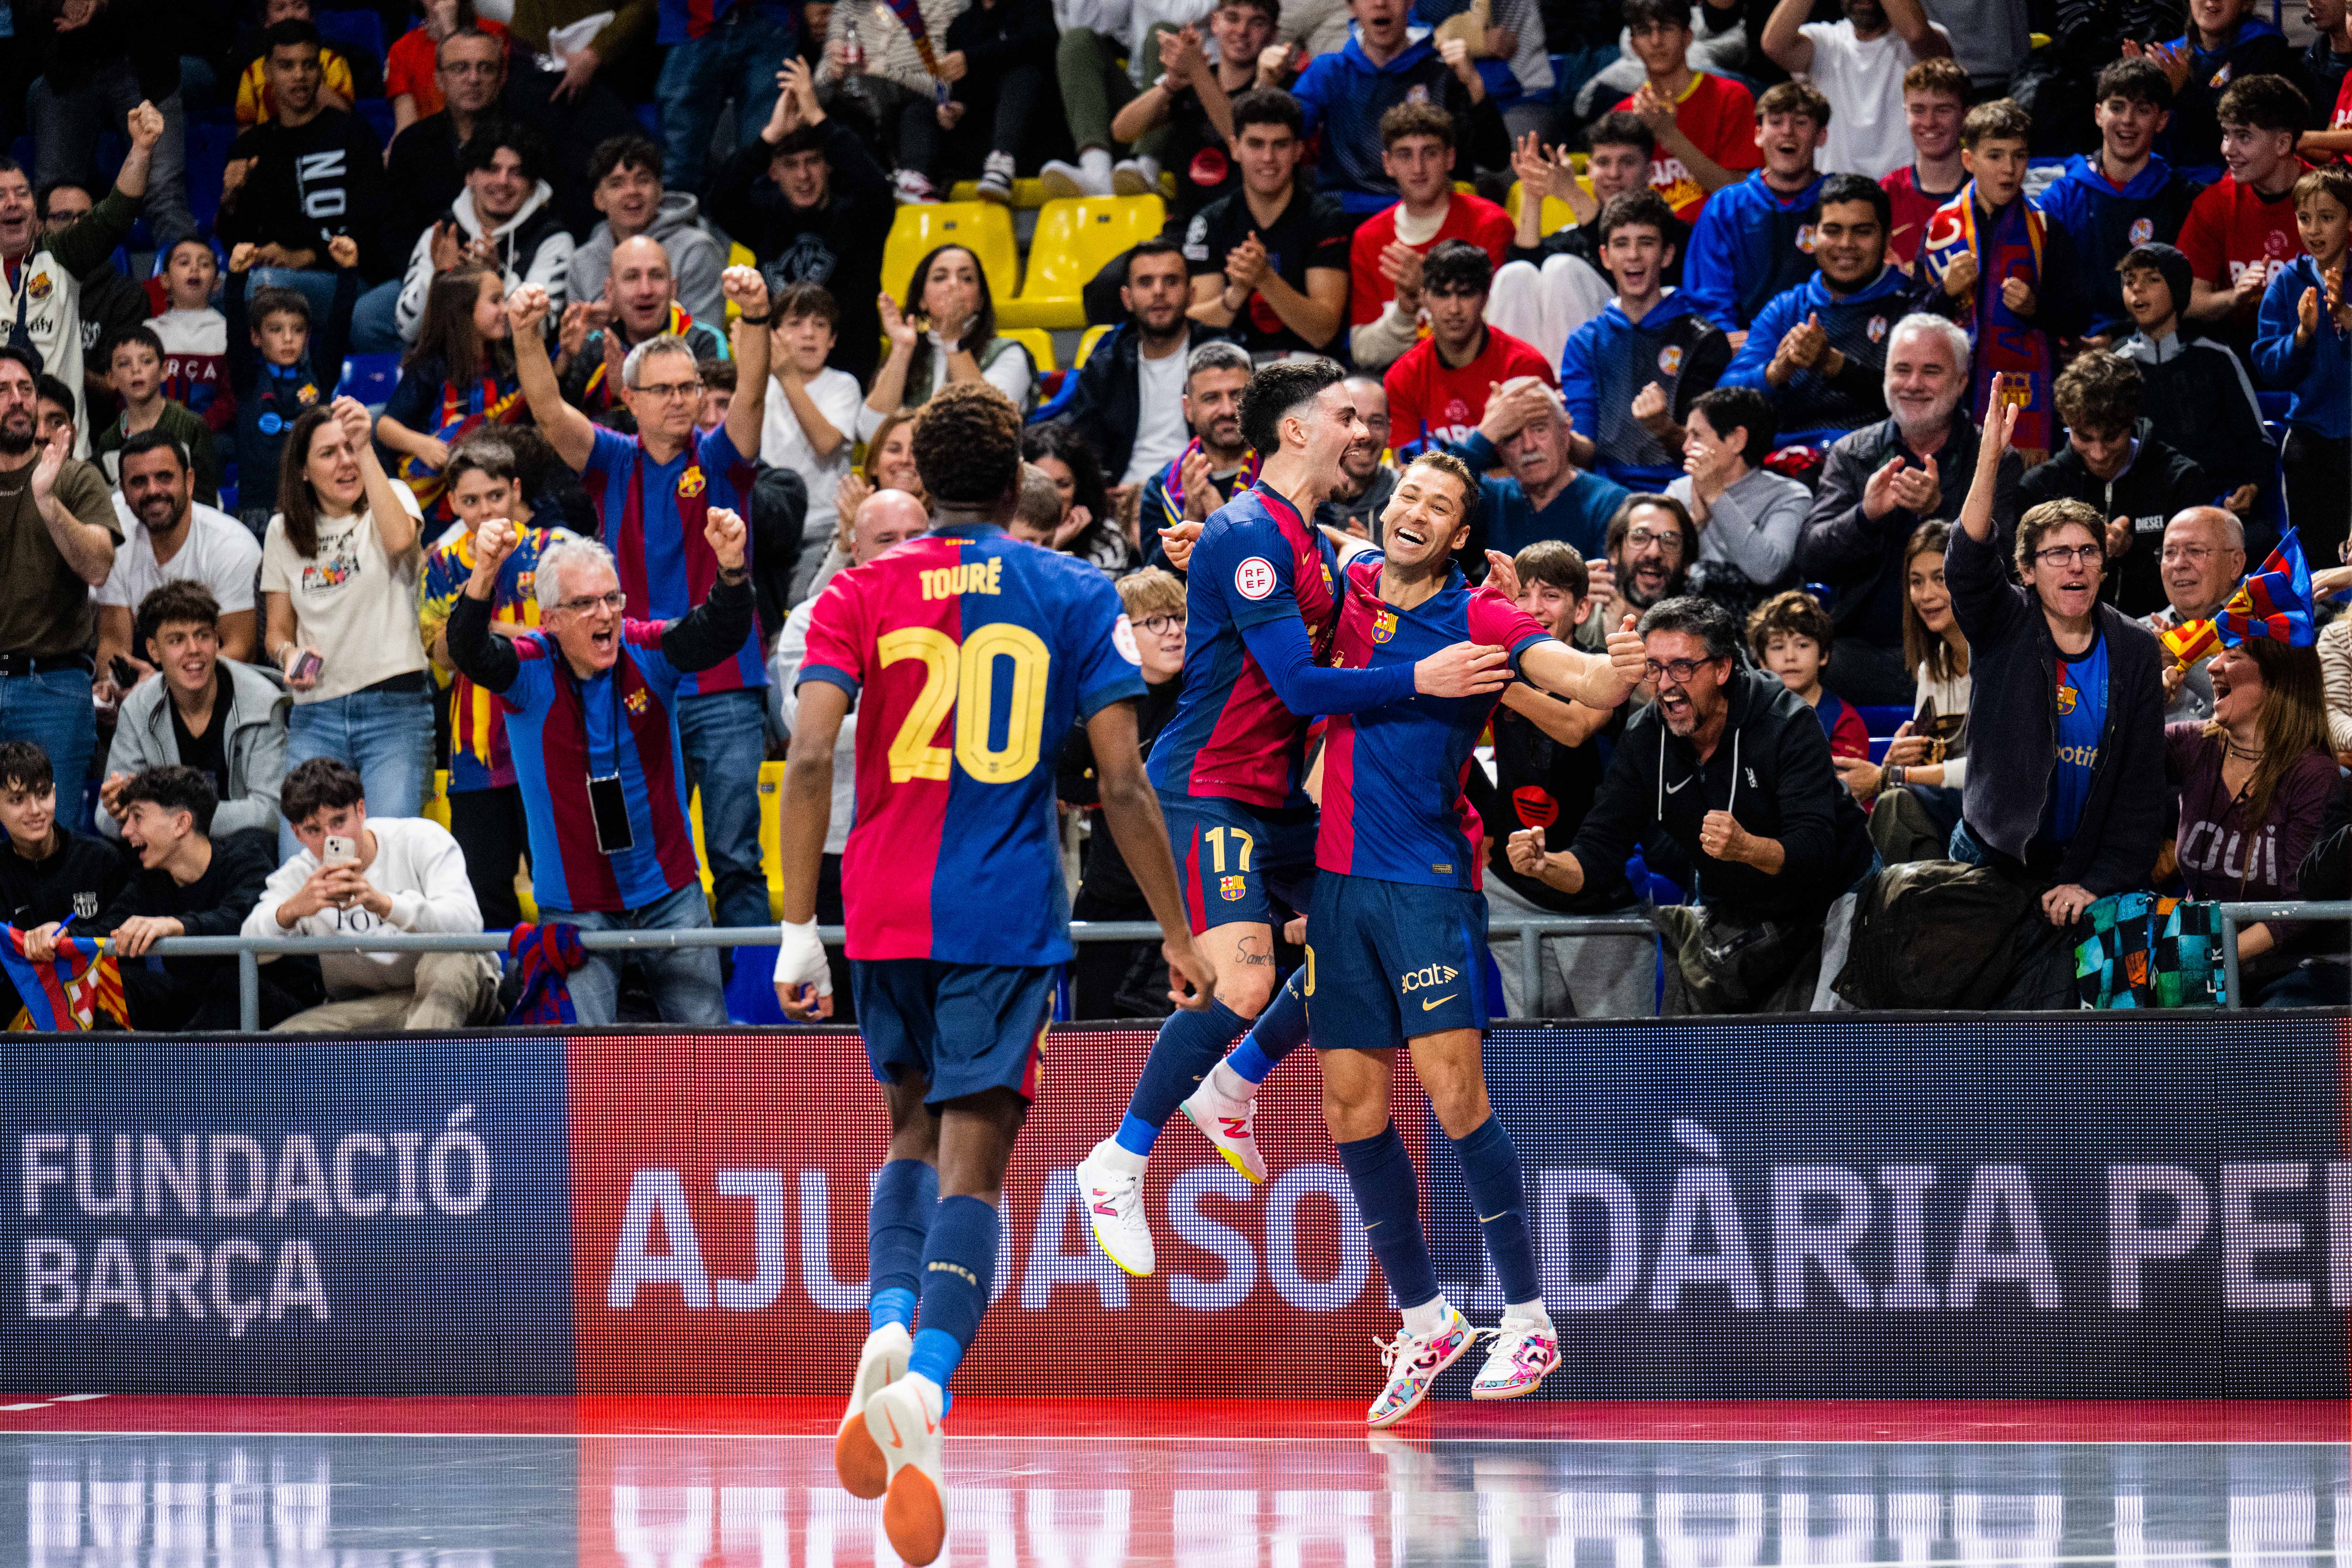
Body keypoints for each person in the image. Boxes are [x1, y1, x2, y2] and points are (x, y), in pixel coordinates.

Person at [768, 382, 1214, 1568]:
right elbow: (1123, 786)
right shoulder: (1075, 591)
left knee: (907, 1129)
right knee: (977, 1152)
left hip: (877, 904)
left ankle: (885, 1322)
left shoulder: (852, 590)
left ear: (915, 476)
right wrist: (1177, 931)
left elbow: (810, 752)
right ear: (1017, 483)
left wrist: (796, 925)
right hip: (1002, 911)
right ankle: (926, 1385)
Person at [1076, 359, 1517, 1280]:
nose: (1362, 430)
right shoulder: (1248, 533)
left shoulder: (1305, 535)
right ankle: (1117, 1160)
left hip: (1275, 792)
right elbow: (1300, 683)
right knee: (1241, 985)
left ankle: (1231, 1084)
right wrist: (1418, 678)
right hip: (1209, 786)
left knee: (1347, 941)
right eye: (1343, 416)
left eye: (1365, 416)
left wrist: (1479, 579)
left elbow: (1366, 569)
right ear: (1295, 431)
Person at [1299, 452, 1644, 1426]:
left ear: (1462, 538)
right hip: (1338, 886)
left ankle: (1528, 1316)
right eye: (1408, 494)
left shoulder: (1482, 616)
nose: (1416, 509)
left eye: (1439, 505)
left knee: (1453, 1094)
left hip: (1425, 887)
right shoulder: (1356, 579)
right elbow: (1298, 547)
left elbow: (1576, 678)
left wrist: (1610, 666)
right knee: (1350, 1106)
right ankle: (1425, 1316)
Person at [506, 269, 779, 935]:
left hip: (722, 683)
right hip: (633, 679)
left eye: (688, 387)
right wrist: (525, 333)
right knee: (630, 848)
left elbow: (750, 395)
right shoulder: (611, 459)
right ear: (630, 398)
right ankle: (647, 1005)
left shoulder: (723, 455)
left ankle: (746, 1013)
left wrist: (757, 318)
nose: (679, 401)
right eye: (662, 390)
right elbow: (546, 410)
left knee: (735, 854)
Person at [452, 509, 755, 1022]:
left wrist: (730, 570)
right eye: (585, 603)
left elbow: (718, 632)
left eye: (612, 598)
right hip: (575, 907)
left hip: (670, 894)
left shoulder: (647, 649)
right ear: (550, 619)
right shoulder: (528, 669)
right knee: (590, 1067)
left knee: (708, 1050)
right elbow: (469, 649)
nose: (606, 614)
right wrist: (484, 572)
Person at [1506, 593, 1876, 1011]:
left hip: (1834, 899)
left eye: (1682, 666)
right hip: (1738, 909)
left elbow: (1814, 854)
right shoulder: (1646, 739)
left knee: (1819, 1056)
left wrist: (1746, 847)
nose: (1665, 684)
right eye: (1653, 668)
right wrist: (1545, 866)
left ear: (1722, 668)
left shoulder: (1785, 722)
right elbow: (1596, 854)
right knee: (1711, 1064)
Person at [1946, 401, 2169, 1008]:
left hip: (2083, 871)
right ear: (2025, 569)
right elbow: (1966, 563)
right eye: (2057, 554)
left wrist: (2095, 883)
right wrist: (1989, 458)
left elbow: (2141, 788)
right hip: (1991, 862)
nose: (2076, 564)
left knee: (2068, 1047)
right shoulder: (2004, 621)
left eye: (2088, 551)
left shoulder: (2135, 650)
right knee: (1977, 1039)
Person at [1464, 540, 1655, 1019]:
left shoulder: (1603, 670)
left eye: (1550, 595)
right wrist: (1487, 821)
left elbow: (1573, 727)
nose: (1533, 608)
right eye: (1522, 596)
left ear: (1582, 607)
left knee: (1619, 1063)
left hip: (1601, 897)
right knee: (1537, 1062)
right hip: (1513, 888)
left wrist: (1495, 680)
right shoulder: (1492, 666)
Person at [1801, 313, 2020, 705]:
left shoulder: (1992, 456)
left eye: (1931, 371)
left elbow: (2002, 563)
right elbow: (1813, 558)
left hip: (1962, 646)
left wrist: (1940, 511)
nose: (1914, 384)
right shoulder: (1853, 453)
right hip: (1864, 653)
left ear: (1961, 383)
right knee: (1814, 666)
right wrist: (1864, 517)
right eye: (1902, 370)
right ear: (1885, 377)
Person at [764, 486, 926, 1009]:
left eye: (916, 537)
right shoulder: (813, 620)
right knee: (841, 1030)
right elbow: (805, 732)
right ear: (855, 551)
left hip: (932, 846)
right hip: (836, 848)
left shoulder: (965, 614)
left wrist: (863, 716)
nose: (903, 550)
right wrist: (928, 717)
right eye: (886, 539)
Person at [416, 435, 577, 929]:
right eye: (470, 501)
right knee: (484, 896)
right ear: (451, 504)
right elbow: (443, 654)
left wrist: (479, 626)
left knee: (563, 887)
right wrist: (483, 590)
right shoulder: (443, 566)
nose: (485, 511)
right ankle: (506, 1002)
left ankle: (570, 1002)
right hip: (476, 756)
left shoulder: (557, 551)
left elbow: (572, 638)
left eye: (495, 497)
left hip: (553, 743)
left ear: (516, 491)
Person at [261, 398, 435, 836]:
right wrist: (289, 655)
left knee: (387, 858)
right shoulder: (282, 531)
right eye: (328, 453)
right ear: (303, 470)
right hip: (316, 714)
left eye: (350, 448)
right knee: (301, 867)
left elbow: (398, 541)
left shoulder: (393, 495)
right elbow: (277, 630)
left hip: (394, 710)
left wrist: (367, 446)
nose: (345, 462)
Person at [246, 757, 502, 1029]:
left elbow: (468, 925)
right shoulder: (301, 875)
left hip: (460, 990)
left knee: (448, 963)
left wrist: (386, 905)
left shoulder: (421, 838)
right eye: (313, 830)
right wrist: (291, 911)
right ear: (298, 835)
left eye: (339, 821)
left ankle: (417, 1069)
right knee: (282, 1045)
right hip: (371, 1004)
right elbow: (249, 946)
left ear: (361, 810)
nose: (331, 838)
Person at [63, 765, 318, 1029]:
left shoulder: (246, 856)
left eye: (137, 818)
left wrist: (176, 925)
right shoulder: (151, 878)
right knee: (119, 981)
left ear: (181, 824)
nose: (126, 832)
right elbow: (109, 929)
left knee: (231, 983)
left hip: (273, 998)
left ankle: (181, 1066)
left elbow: (242, 920)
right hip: (196, 998)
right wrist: (63, 934)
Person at [2163, 638, 2345, 1005]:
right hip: (2208, 959)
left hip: (2296, 968)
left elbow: (2299, 910)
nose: (2213, 667)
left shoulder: (2314, 774)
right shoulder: (2193, 744)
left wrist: (2209, 955)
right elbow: (2110, 760)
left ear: (2278, 679)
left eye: (2232, 658)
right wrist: (2149, 701)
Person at [1056, 566, 1192, 1017]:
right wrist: (1117, 789)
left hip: (1192, 894)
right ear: (1124, 634)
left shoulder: (1203, 694)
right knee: (1097, 1038)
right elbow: (1060, 775)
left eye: (1178, 616)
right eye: (1155, 620)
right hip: (1112, 895)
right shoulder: (1098, 705)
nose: (1172, 630)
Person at [708, 56, 892, 384]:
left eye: (813, 162)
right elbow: (719, 199)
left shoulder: (858, 217)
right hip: (776, 379)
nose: (803, 176)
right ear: (774, 171)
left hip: (847, 378)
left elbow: (878, 189)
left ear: (830, 165)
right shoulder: (766, 217)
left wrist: (819, 118)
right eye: (791, 165)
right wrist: (769, 137)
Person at [1920, 98, 2080, 461]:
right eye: (1995, 156)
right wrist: (1944, 292)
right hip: (1955, 394)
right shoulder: (1941, 229)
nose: (2009, 169)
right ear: (1968, 160)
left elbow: (2077, 317)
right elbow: (1912, 318)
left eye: (2019, 155)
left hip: (2029, 395)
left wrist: (2035, 309)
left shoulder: (2045, 229)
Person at [0, 102, 164, 436]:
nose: (13, 203)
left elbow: (114, 214)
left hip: (67, 456)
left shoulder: (62, 255)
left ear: (35, 211)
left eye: (22, 193)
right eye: (1, 195)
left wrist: (142, 149)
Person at [0, 347, 121, 797]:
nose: (18, 400)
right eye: (3, 391)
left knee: (54, 845)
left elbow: (98, 567)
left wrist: (48, 502)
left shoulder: (73, 479)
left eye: (25, 389)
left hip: (51, 686)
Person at [1722, 175, 1919, 445]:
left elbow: (1918, 403)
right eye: (1833, 231)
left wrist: (1833, 364)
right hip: (1783, 468)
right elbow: (1723, 400)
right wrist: (1775, 373)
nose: (1845, 244)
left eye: (1862, 231)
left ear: (1886, 238)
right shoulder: (1786, 309)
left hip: (1875, 462)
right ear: (1814, 236)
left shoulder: (1912, 307)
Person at [215, 22, 389, 328]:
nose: (299, 76)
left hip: (345, 279)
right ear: (267, 72)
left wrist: (305, 256)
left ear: (321, 72)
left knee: (265, 287)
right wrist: (230, 200)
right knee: (213, 291)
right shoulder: (250, 147)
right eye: (287, 66)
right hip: (272, 278)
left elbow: (374, 228)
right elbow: (236, 244)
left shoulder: (353, 133)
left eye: (309, 65)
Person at [95, 579, 289, 850]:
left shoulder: (262, 703)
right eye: (177, 640)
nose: (194, 650)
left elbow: (272, 814)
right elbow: (105, 818)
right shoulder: (138, 707)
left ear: (217, 638)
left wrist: (172, 820)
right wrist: (120, 812)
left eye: (203, 636)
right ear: (153, 651)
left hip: (238, 853)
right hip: (167, 857)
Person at [1559, 191, 1732, 489]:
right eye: (1621, 244)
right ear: (1605, 256)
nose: (1633, 256)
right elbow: (1584, 453)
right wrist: (1557, 433)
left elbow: (1710, 452)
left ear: (1667, 255)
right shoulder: (1584, 342)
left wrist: (1664, 428)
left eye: (1646, 243)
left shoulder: (1703, 340)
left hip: (1682, 490)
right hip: (1604, 494)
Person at [2019, 351, 2211, 618]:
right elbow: (2021, 584)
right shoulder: (2039, 487)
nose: (2099, 453)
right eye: (2084, 437)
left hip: (2162, 635)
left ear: (2130, 422)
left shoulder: (2180, 479)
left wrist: (2129, 552)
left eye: (2111, 437)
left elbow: (2199, 585)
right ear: (2067, 425)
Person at [1288, 0, 1510, 216]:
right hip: (1344, 214)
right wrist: (1264, 85)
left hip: (1424, 212)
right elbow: (1283, 136)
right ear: (1352, 7)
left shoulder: (1442, 72)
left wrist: (1474, 84)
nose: (1380, 3)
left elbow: (1494, 159)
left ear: (1410, 2)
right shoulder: (1329, 72)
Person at [2112, 242, 2277, 528]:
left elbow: (2256, 439)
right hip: (2142, 512)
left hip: (2215, 503)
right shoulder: (2114, 366)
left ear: (2177, 290)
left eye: (2152, 280)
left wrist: (2251, 487)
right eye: (2129, 282)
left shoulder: (2217, 357)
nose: (2137, 289)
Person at [1835, 520, 1973, 860]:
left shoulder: (2002, 658)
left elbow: (1990, 770)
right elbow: (1928, 760)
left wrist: (1891, 776)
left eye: (1940, 578)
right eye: (1916, 582)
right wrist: (1902, 756)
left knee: (1897, 803)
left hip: (1994, 810)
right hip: (1946, 807)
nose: (1926, 595)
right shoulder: (1932, 667)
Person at [2039, 60, 2204, 344]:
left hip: (2152, 349)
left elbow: (2185, 299)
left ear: (2162, 120)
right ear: (2098, 114)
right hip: (2075, 348)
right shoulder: (2061, 197)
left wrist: (2116, 340)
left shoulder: (2183, 200)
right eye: (2117, 107)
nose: (2127, 120)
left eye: (2142, 110)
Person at [1182, 90, 1352, 359]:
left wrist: (1264, 278)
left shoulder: (1326, 219)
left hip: (1308, 367)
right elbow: (1193, 328)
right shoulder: (1211, 221)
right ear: (1235, 148)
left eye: (1280, 145)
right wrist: (1236, 293)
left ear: (1298, 150)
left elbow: (1323, 332)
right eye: (1256, 144)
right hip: (1231, 368)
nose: (1268, 158)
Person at [1347, 103, 1516, 372]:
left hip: (1478, 372)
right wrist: (1404, 310)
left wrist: (1427, 288)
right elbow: (1364, 352)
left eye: (1430, 153)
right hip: (1400, 380)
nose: (1418, 168)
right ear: (1387, 164)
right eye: (1405, 155)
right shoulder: (1369, 238)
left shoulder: (1489, 223)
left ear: (1450, 158)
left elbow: (1499, 329)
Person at [17, 0, 195, 252]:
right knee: (54, 199)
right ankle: (47, 289)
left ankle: (185, 287)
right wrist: (63, 4)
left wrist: (101, 4)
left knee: (165, 195)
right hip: (69, 66)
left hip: (147, 62)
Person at [1487, 114, 1659, 368]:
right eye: (1604, 162)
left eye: (1627, 162)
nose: (1614, 174)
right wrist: (1533, 195)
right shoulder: (1571, 236)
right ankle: (1514, 391)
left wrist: (1570, 192)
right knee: (1515, 274)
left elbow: (1612, 240)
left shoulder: (1666, 231)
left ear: (1650, 171)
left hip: (1637, 349)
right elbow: (1524, 271)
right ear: (1589, 170)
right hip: (1560, 358)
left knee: (1561, 268)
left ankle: (1568, 391)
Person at [96, 434, 264, 691]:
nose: (153, 491)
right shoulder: (116, 540)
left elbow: (242, 652)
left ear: (189, 482)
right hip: (146, 684)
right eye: (139, 482)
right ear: (124, 493)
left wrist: (161, 689)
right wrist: (115, 684)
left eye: (164, 477)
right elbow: (113, 643)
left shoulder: (232, 545)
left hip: (222, 693)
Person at [1062, 241, 1227, 493]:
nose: (1159, 292)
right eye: (1146, 282)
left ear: (1191, 295)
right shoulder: (1104, 369)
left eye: (1171, 281)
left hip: (1204, 493)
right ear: (1127, 299)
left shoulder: (1223, 360)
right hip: (1122, 499)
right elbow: (1085, 454)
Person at [394, 124, 574, 347]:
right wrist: (438, 280)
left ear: (533, 184)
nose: (503, 182)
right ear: (469, 177)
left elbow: (541, 329)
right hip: (444, 368)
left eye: (517, 172)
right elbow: (407, 329)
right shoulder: (441, 235)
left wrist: (499, 277)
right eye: (491, 169)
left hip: (518, 373)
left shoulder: (553, 240)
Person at [2252, 164, 2352, 561]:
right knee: (2312, 553)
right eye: (2304, 218)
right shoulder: (2287, 282)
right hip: (2310, 435)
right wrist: (2301, 337)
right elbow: (2269, 366)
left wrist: (2347, 316)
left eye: (2327, 218)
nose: (2314, 230)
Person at [223, 242, 360, 531]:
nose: (288, 339)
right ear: (257, 338)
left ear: (307, 336)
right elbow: (235, 325)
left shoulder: (320, 375)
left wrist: (347, 271)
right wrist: (236, 277)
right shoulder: (247, 379)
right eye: (275, 330)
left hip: (314, 506)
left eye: (297, 330)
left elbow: (339, 323)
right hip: (258, 512)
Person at [378, 26, 508, 328]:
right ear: (439, 79)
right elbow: (393, 230)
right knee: (367, 320)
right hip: (426, 271)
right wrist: (433, 268)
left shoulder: (524, 141)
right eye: (460, 68)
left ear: (502, 79)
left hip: (507, 269)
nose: (473, 79)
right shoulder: (411, 144)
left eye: (485, 68)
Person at [1096, 1, 1273, 224]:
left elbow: (1237, 138)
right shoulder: (1195, 83)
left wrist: (1196, 67)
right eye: (1233, 19)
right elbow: (1122, 131)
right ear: (1215, 23)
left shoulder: (1275, 84)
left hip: (1246, 225)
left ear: (1273, 33)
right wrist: (1170, 84)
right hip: (1188, 225)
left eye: (1257, 23)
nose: (1242, 32)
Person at [1681, 82, 1832, 335]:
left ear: (1821, 136)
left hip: (1827, 345)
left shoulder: (1840, 201)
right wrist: (1729, 340)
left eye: (1801, 123)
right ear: (1758, 135)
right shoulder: (1725, 208)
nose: (1787, 132)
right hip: (1745, 354)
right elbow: (1707, 300)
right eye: (1776, 122)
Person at [378, 265, 527, 518]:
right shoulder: (432, 367)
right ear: (464, 310)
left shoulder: (506, 361)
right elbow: (384, 426)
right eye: (495, 301)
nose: (505, 309)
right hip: (443, 501)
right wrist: (422, 444)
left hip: (496, 489)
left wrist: (565, 356)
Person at [2178, 75, 2313, 350]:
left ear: (2282, 144)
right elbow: (2187, 302)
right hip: (2242, 349)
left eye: (2243, 136)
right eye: (2226, 135)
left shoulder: (2334, 199)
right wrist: (2234, 297)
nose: (2227, 149)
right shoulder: (2214, 203)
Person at [1381, 241, 1552, 454]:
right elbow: (1409, 473)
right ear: (1424, 297)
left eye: (1466, 294)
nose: (1454, 309)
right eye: (1442, 294)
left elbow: (1540, 467)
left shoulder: (1525, 368)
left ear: (1485, 298)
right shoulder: (1402, 377)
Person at [1437, 376, 1630, 560]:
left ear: (1565, 433)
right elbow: (1435, 490)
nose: (1529, 446)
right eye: (1512, 436)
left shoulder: (1611, 504)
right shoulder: (1491, 500)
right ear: (1500, 450)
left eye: (1540, 429)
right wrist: (1485, 433)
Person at [557, 236, 733, 433]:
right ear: (611, 292)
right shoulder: (596, 345)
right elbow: (559, 428)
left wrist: (628, 398)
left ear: (673, 290)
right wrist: (566, 359)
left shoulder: (704, 342)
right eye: (632, 277)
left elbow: (703, 428)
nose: (645, 290)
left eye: (657, 276)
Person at [862, 246, 1035, 444]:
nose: (954, 285)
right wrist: (901, 350)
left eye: (967, 279)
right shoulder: (908, 352)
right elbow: (872, 435)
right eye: (940, 278)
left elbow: (989, 428)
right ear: (922, 301)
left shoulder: (1009, 352)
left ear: (980, 301)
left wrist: (954, 342)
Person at [1762, 0, 1952, 180]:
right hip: (1835, 198)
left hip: (1904, 193)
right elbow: (1775, 45)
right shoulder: (1824, 41)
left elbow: (1916, 33)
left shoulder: (1927, 38)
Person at [761, 283, 864, 606]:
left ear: (833, 339)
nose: (809, 334)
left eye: (820, 325)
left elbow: (826, 442)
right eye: (796, 323)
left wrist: (787, 376)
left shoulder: (842, 385)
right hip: (766, 524)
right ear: (775, 335)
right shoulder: (758, 386)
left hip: (821, 527)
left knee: (802, 605)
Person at [814, 0, 971, 201]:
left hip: (922, 117)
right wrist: (833, 73)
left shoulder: (942, 5)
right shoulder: (847, 8)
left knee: (916, 109)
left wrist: (878, 70)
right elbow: (818, 91)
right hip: (865, 124)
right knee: (840, 120)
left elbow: (942, 87)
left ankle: (917, 185)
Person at [1668, 385, 1811, 599]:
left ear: (1737, 440)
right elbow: (1658, 571)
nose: (1685, 447)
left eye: (1696, 436)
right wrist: (1694, 525)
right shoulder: (1679, 490)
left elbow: (1766, 571)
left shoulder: (1789, 496)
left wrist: (1716, 497)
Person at [570, 136, 727, 327]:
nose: (632, 191)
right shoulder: (582, 263)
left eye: (643, 180)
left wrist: (622, 322)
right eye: (617, 184)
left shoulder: (697, 250)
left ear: (660, 191)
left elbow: (707, 344)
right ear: (598, 200)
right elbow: (576, 350)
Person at [651, 0, 798, 198]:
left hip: (770, 17)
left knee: (769, 153)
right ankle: (677, 227)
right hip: (691, 18)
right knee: (679, 163)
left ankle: (765, 226)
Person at [0, 742, 129, 963]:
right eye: (18, 800)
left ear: (55, 793)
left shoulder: (102, 860)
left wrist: (70, 935)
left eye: (43, 794)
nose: (35, 810)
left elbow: (125, 934)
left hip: (102, 993)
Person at [35, 178, 149, 424]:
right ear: (39, 227)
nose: (77, 226)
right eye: (64, 217)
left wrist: (58, 359)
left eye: (85, 218)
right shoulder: (24, 287)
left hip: (98, 434)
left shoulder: (126, 295)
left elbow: (118, 389)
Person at [2146, 0, 2298, 172]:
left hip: (2233, 177)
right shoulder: (2171, 54)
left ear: (2246, 4)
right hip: (2170, 178)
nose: (2211, 2)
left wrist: (2183, 90)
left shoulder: (2266, 52)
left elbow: (2241, 134)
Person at [934, 0, 1057, 204]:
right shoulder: (961, 26)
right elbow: (968, 91)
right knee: (916, 109)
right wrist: (959, 108)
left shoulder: (1034, 8)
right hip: (983, 136)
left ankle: (1002, 160)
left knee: (1022, 73)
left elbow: (1039, 45)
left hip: (1035, 132)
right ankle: (918, 180)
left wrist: (971, 60)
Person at [1140, 341, 1260, 539]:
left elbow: (1315, 550)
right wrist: (1192, 516)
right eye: (1211, 398)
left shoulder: (1290, 472)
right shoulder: (1160, 488)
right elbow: (1155, 569)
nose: (1228, 410)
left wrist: (1219, 518)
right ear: (1188, 409)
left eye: (1238, 395)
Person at [91, 327, 220, 504]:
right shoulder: (109, 441)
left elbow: (205, 499)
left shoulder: (192, 427)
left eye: (146, 361)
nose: (136, 370)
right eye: (124, 364)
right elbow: (112, 506)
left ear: (164, 371)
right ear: (111, 379)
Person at [2142, 505, 2247, 720]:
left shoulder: (2272, 629)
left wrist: (2187, 657)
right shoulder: (2135, 639)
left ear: (2235, 564)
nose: (2178, 564)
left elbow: (2274, 714)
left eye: (2195, 551)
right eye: (2169, 553)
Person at [1749, 587, 1870, 762]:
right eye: (1778, 647)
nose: (1790, 657)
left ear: (1823, 655)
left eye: (1803, 645)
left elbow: (1845, 786)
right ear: (1762, 661)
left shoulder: (1844, 722)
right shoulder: (1749, 717)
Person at [1880, 56, 1970, 266]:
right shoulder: (1887, 193)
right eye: (1918, 110)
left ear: (1966, 115)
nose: (1929, 123)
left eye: (1943, 110)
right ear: (1906, 114)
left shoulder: (1986, 191)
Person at [1023, 423, 1137, 576]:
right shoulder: (1002, 533)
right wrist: (1053, 543)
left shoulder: (1108, 540)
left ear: (1079, 488)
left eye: (1063, 485)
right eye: (1041, 482)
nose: (1052, 494)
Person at [145, 240, 232, 438]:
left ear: (217, 283)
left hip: (209, 436)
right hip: (157, 435)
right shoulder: (150, 333)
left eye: (204, 264)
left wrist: (198, 428)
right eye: (184, 263)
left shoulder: (226, 332)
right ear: (165, 281)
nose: (194, 269)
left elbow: (230, 400)